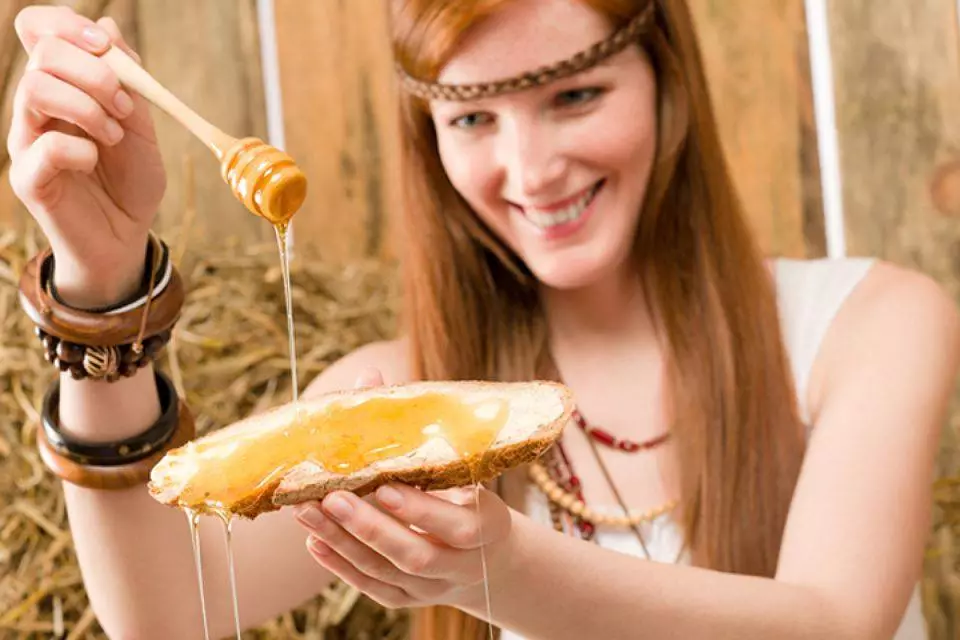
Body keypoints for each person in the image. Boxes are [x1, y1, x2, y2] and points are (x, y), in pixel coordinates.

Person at [8, 0, 960, 638]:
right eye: (473, 119)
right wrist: (101, 281)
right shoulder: (406, 403)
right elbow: (168, 613)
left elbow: (834, 623)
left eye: (576, 94)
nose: (532, 169)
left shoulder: (871, 324)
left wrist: (501, 570)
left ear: (670, 85)